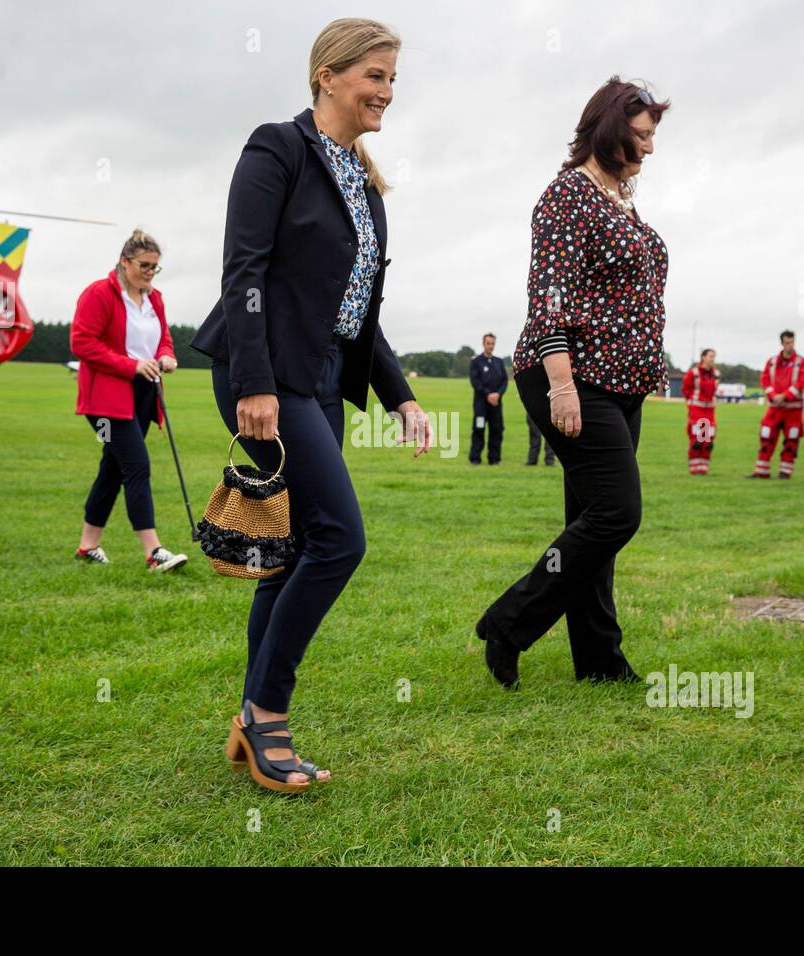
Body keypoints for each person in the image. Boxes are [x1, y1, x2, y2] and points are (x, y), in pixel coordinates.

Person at [190, 18, 434, 793]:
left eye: (393, 79)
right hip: (267, 371)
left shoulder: (363, 180)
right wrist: (257, 383)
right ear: (327, 75)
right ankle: (269, 714)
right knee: (341, 539)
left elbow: (356, 304)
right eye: (375, 76)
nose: (387, 93)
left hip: (323, 374)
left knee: (291, 552)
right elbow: (246, 271)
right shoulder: (277, 149)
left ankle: (247, 717)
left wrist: (400, 395)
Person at [478, 76, 670, 688]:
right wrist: (562, 385)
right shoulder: (568, 196)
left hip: (621, 381)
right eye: (639, 136)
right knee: (617, 511)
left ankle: (599, 660)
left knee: (591, 519)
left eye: (652, 138)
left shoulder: (621, 201)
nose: (648, 148)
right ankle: (509, 623)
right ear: (609, 128)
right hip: (570, 373)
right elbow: (550, 298)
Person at [70, 229, 188, 572]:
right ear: (125, 262)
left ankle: (87, 547)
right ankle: (153, 553)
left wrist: (166, 356)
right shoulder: (99, 294)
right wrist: (132, 365)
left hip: (144, 393)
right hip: (106, 400)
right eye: (144, 265)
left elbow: (163, 338)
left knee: (113, 469)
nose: (150, 272)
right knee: (137, 465)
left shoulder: (155, 299)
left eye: (155, 267)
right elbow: (83, 343)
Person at [748, 330, 804, 479]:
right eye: (787, 343)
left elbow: (802, 382)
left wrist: (785, 396)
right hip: (775, 408)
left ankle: (785, 472)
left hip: (793, 410)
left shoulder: (801, 362)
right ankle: (761, 471)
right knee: (766, 435)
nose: (790, 346)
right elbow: (765, 380)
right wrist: (772, 395)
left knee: (791, 439)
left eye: (792, 342)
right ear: (782, 343)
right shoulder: (772, 362)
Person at [469, 333, 507, 464]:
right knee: (479, 429)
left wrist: (498, 394)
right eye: (488, 343)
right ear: (483, 344)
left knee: (497, 430)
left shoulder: (499, 362)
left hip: (496, 404)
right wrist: (488, 394)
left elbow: (505, 381)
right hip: (481, 405)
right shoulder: (476, 362)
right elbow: (475, 381)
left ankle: (494, 459)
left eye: (493, 344)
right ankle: (475, 458)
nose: (491, 346)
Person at [682, 348, 719, 475]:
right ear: (703, 357)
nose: (713, 359)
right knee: (696, 440)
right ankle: (694, 468)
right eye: (710, 356)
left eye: (714, 356)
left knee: (708, 440)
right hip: (697, 411)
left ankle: (704, 468)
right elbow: (686, 389)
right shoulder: (694, 373)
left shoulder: (716, 374)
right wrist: (691, 404)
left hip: (710, 412)